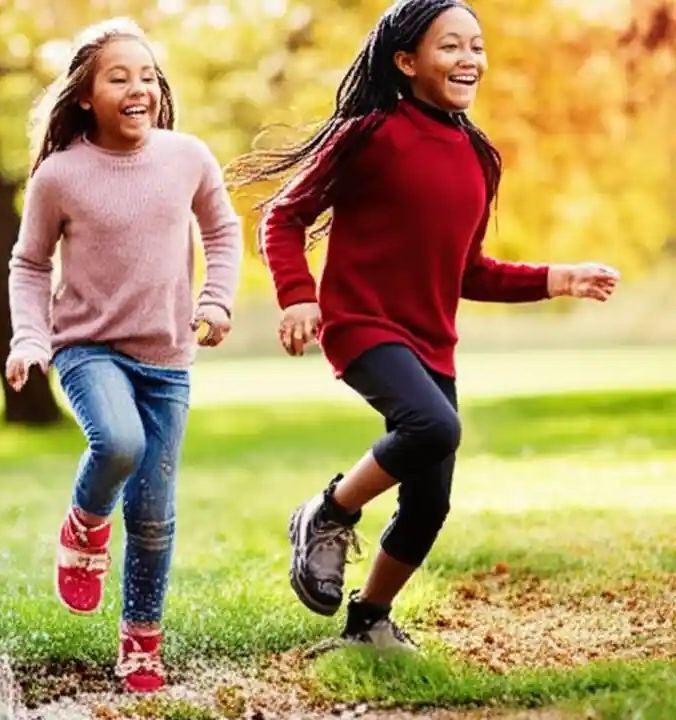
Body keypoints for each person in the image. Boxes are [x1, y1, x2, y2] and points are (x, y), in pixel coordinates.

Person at [225, 0, 619, 652]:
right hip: (360, 323)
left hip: (431, 341)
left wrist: (558, 277)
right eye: (450, 47)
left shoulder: (477, 156)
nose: (469, 59)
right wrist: (298, 296)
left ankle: (368, 621)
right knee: (434, 426)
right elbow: (284, 218)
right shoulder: (369, 134)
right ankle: (327, 513)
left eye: (477, 46)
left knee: (430, 502)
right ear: (406, 62)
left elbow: (471, 272)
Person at [5, 17, 244, 692]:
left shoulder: (187, 157)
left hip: (167, 358)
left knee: (154, 514)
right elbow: (29, 264)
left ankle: (141, 642)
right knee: (116, 443)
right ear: (86, 94)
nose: (138, 87)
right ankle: (83, 524)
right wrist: (30, 338)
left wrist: (216, 300)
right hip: (87, 347)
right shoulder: (60, 175)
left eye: (148, 76)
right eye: (120, 76)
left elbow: (223, 232)